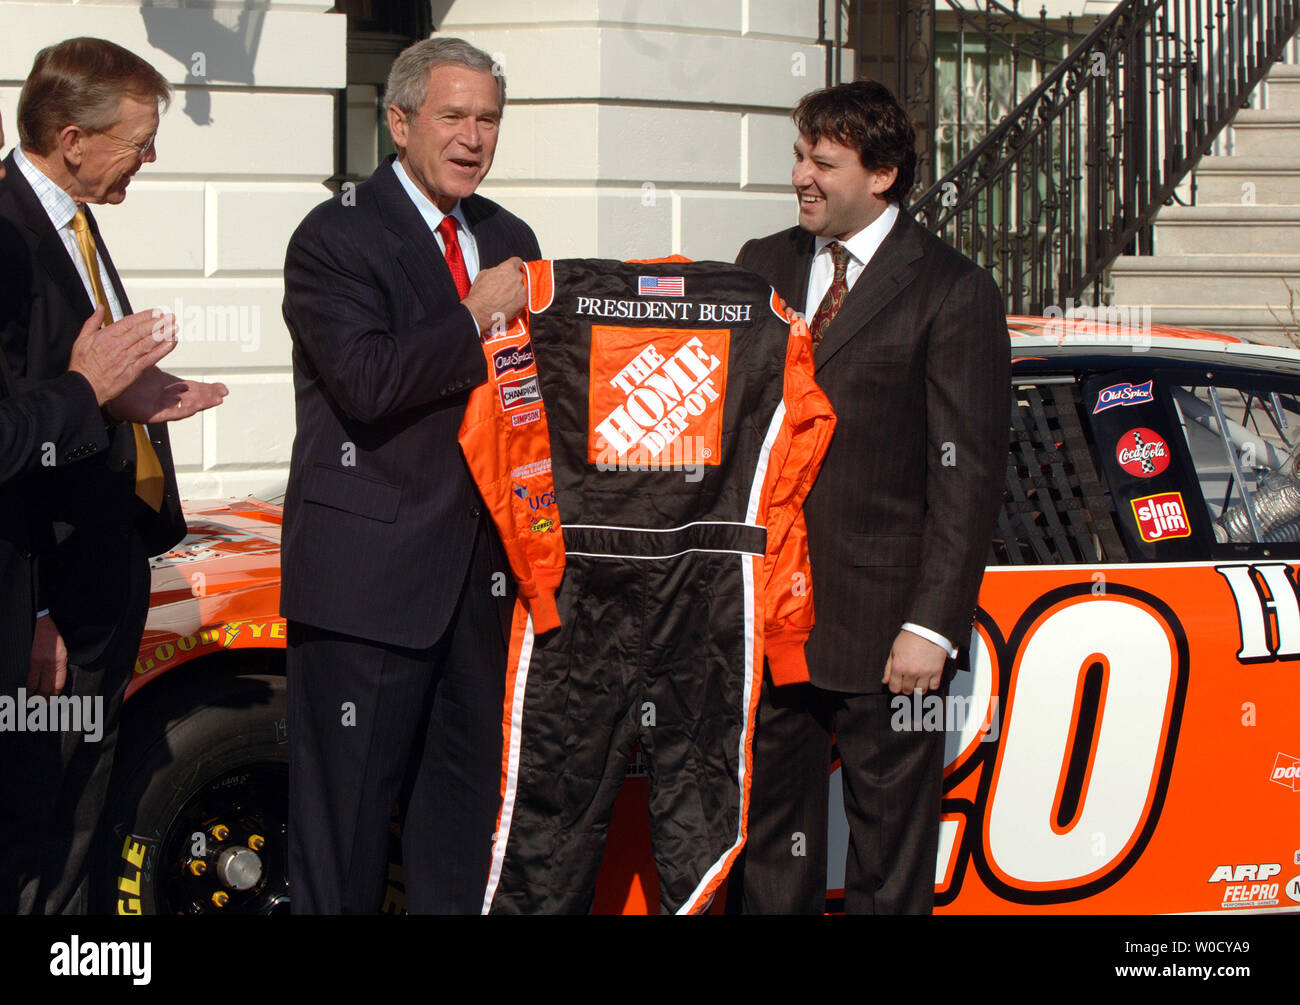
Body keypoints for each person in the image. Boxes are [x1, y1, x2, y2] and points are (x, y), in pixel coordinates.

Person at [729, 80, 1010, 914]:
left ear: (882, 174)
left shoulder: (952, 289)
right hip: (772, 619)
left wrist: (932, 624)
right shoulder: (762, 263)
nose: (801, 177)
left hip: (889, 631)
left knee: (888, 862)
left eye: (823, 161)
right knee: (772, 851)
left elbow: (967, 475)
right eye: (799, 157)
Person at [281, 36, 540, 914]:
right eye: (454, 116)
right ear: (398, 122)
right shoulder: (335, 234)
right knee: (345, 835)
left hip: (486, 586)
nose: (474, 137)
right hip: (368, 587)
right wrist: (471, 317)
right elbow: (369, 380)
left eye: (490, 120)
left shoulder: (510, 236)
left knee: (462, 832)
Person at [0, 39, 228, 915]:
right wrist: (42, 611)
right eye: (139, 140)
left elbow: (72, 400)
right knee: (37, 823)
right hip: (47, 617)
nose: (151, 157)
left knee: (75, 816)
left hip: (100, 588)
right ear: (73, 138)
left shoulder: (75, 218)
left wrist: (130, 402)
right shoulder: (8, 235)